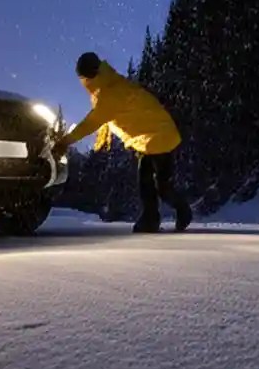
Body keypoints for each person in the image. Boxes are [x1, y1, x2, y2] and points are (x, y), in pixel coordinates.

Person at [53, 52, 193, 233]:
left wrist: (66, 141)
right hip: (149, 138)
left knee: (162, 186)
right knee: (146, 181)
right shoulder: (108, 84)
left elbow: (92, 122)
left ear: (87, 76)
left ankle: (181, 212)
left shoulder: (110, 93)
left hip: (159, 135)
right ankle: (151, 219)